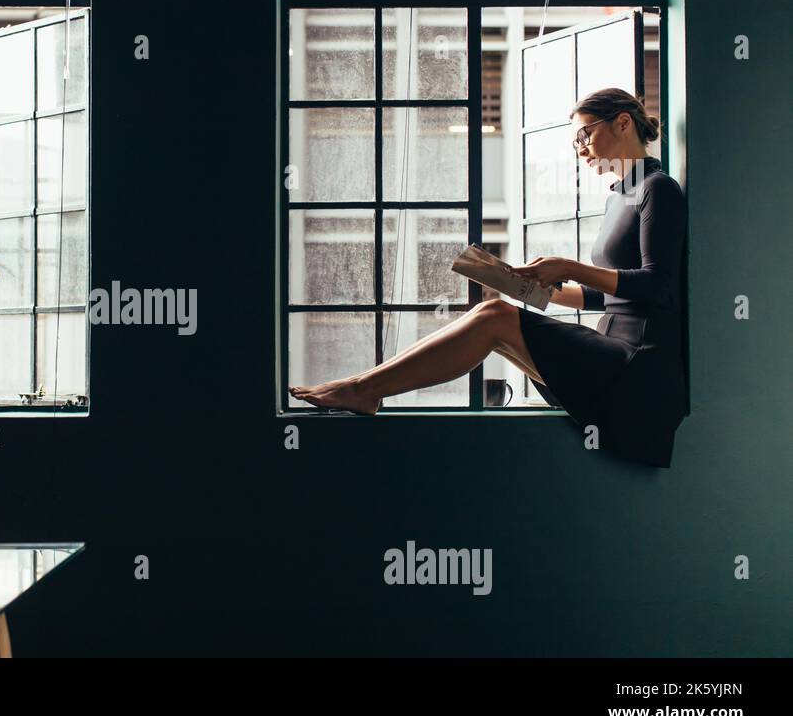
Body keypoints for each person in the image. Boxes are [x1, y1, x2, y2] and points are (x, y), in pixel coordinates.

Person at [290, 87, 687, 467]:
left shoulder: (658, 189)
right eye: (575, 142)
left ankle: (362, 390)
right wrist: (523, 285)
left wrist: (568, 266)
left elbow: (657, 286)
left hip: (638, 367)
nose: (579, 148)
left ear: (622, 123)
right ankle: (363, 386)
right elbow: (608, 297)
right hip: (613, 352)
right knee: (493, 316)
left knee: (494, 317)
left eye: (584, 134)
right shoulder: (619, 197)